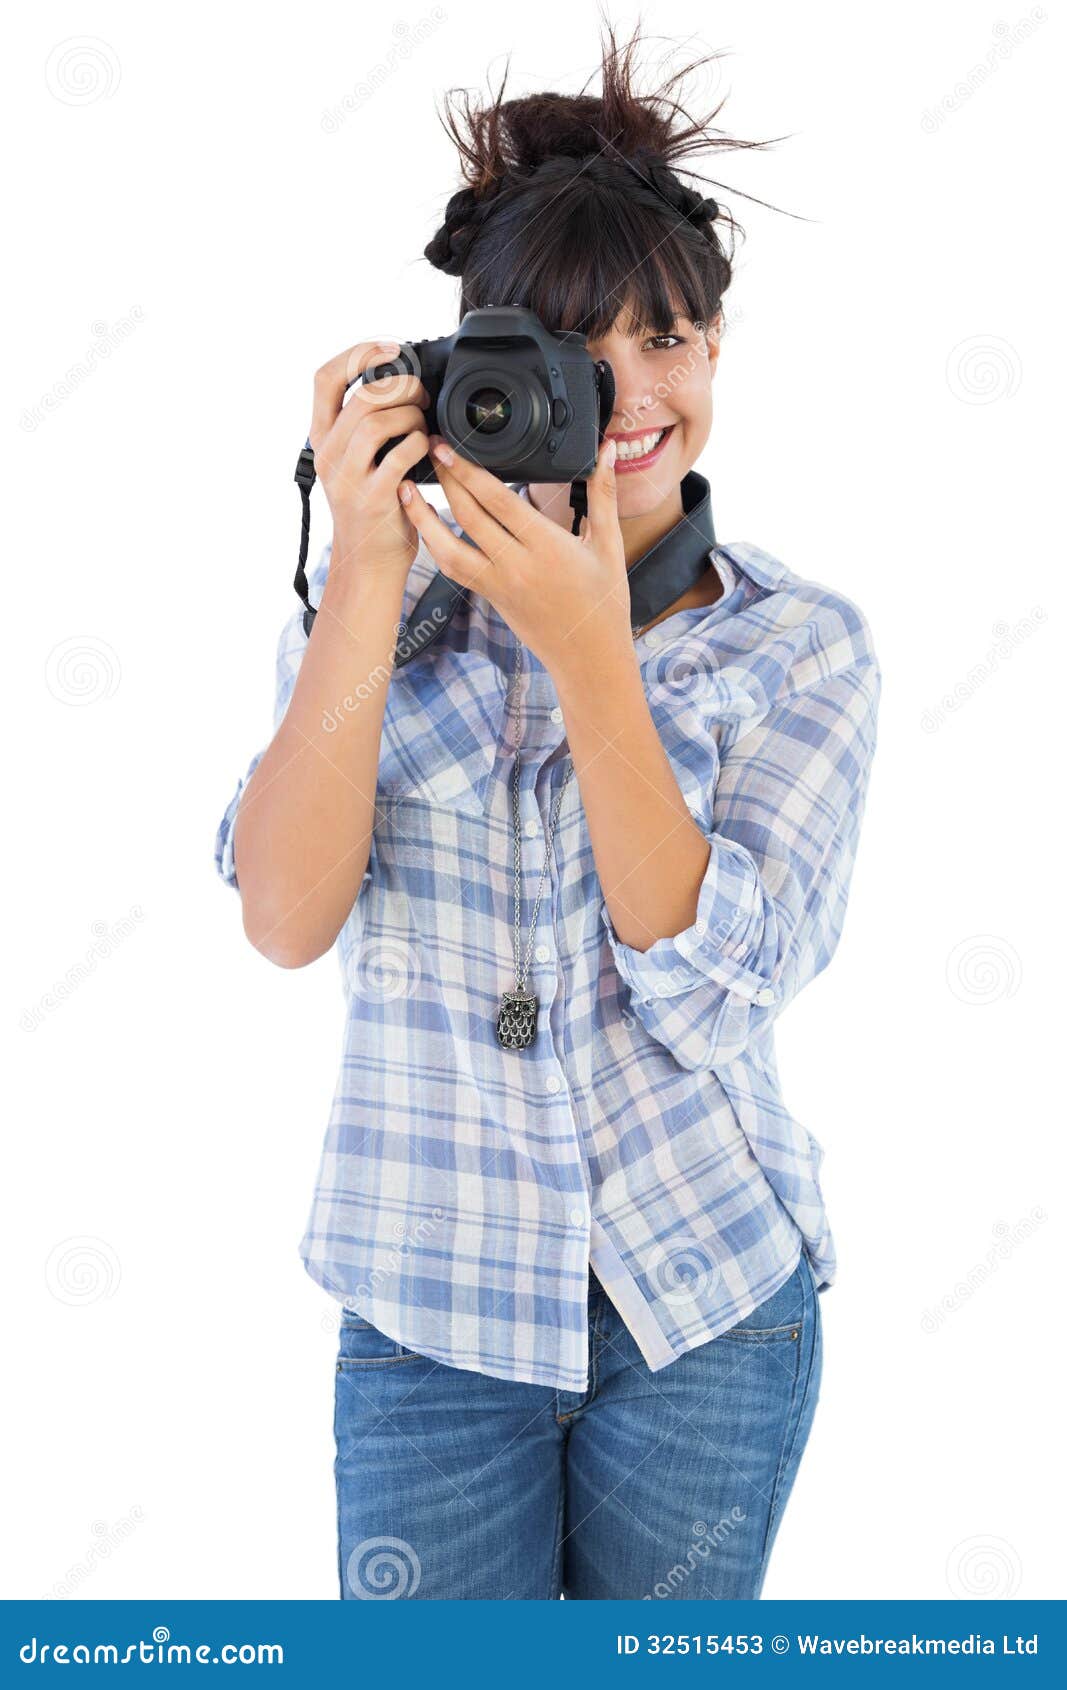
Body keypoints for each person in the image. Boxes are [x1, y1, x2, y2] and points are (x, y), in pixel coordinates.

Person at [215, 27, 880, 1600]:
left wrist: (596, 657)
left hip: (707, 1301)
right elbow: (282, 919)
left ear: (720, 349)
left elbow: (714, 982)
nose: (626, 397)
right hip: (426, 1307)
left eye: (669, 339)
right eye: (572, 354)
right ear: (469, 375)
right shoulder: (377, 611)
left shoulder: (797, 644)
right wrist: (366, 580)